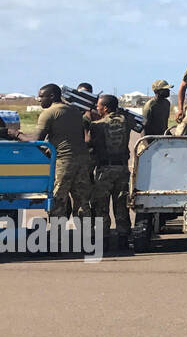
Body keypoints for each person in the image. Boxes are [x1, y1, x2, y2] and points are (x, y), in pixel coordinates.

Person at [32, 84, 91, 220]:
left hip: (63, 161)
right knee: (82, 202)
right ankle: (87, 238)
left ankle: (58, 239)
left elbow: (36, 139)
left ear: (51, 96)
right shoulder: (75, 111)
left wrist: (16, 134)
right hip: (82, 161)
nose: (39, 100)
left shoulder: (49, 112)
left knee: (58, 201)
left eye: (41, 96)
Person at [87, 94, 132, 247]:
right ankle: (123, 237)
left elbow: (90, 144)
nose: (97, 108)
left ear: (105, 108)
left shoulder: (97, 125)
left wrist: (88, 119)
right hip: (122, 168)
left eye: (99, 106)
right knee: (121, 203)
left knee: (101, 205)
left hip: (105, 169)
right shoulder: (126, 122)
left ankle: (103, 239)